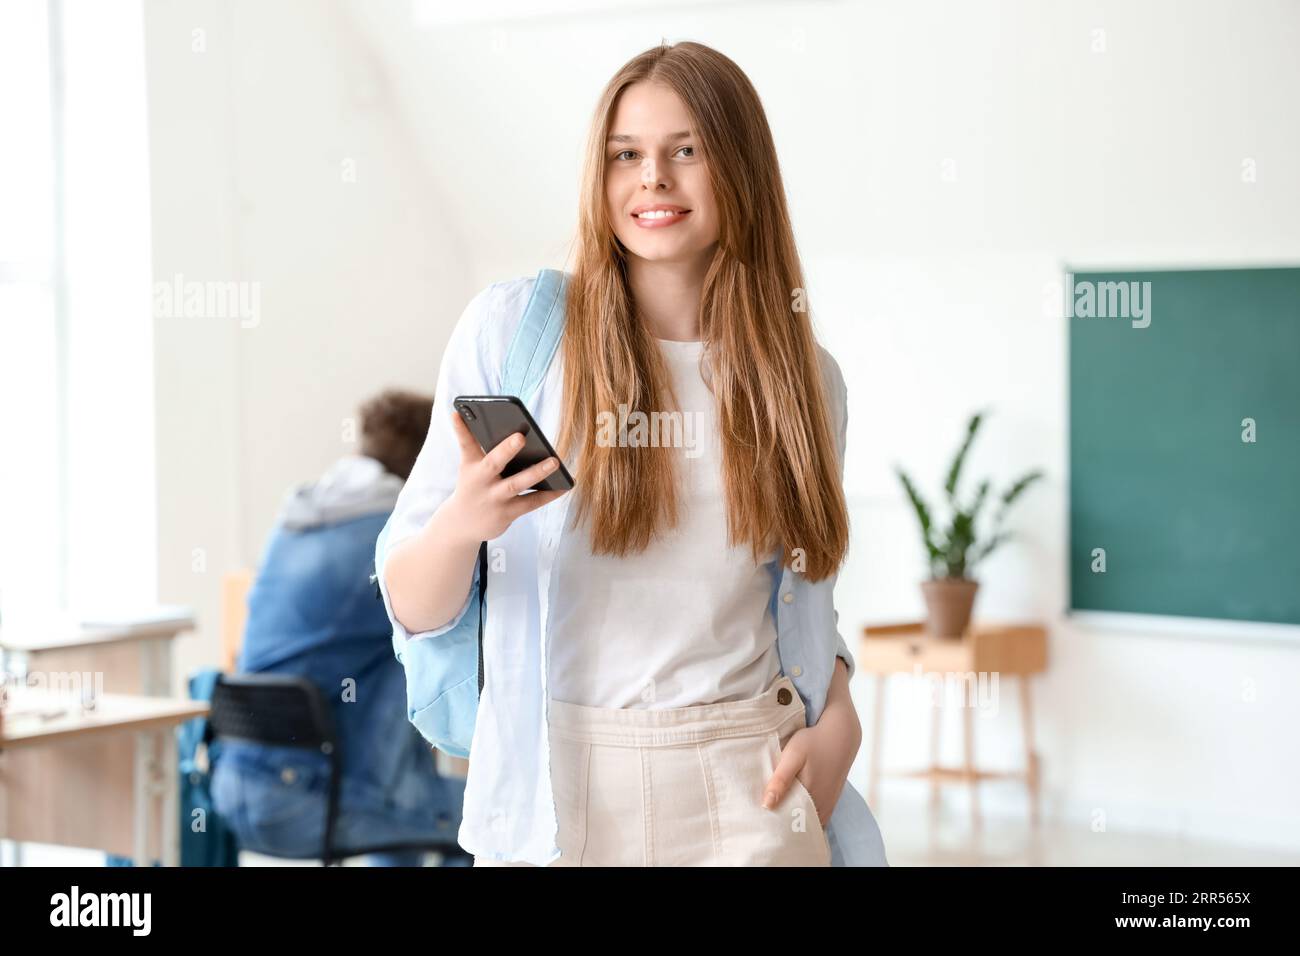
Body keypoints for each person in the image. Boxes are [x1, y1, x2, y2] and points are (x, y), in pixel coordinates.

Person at [377, 41, 887, 866]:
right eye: (627, 155)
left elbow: (803, 603)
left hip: (751, 778)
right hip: (559, 790)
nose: (654, 178)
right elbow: (411, 603)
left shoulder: (807, 382)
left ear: (742, 170)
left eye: (687, 150)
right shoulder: (513, 336)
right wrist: (462, 524)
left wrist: (841, 715)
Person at [213, 388, 469, 866]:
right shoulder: (393, 535)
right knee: (490, 814)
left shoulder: (298, 521)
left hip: (238, 787)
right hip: (317, 799)